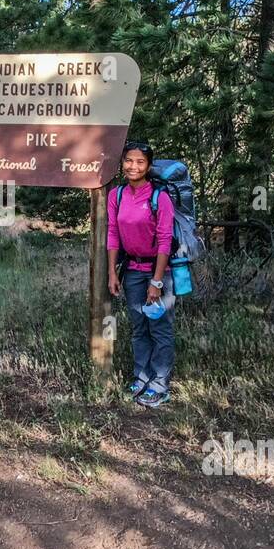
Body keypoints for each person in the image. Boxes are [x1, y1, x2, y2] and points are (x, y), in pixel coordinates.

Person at [107, 140, 176, 408]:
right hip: (132, 271)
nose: (133, 166)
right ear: (122, 163)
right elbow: (113, 233)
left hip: (159, 272)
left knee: (159, 327)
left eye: (140, 162)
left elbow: (164, 240)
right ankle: (141, 377)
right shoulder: (118, 195)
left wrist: (157, 282)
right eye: (129, 160)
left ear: (148, 166)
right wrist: (113, 272)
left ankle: (159, 384)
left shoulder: (160, 197)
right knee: (138, 326)